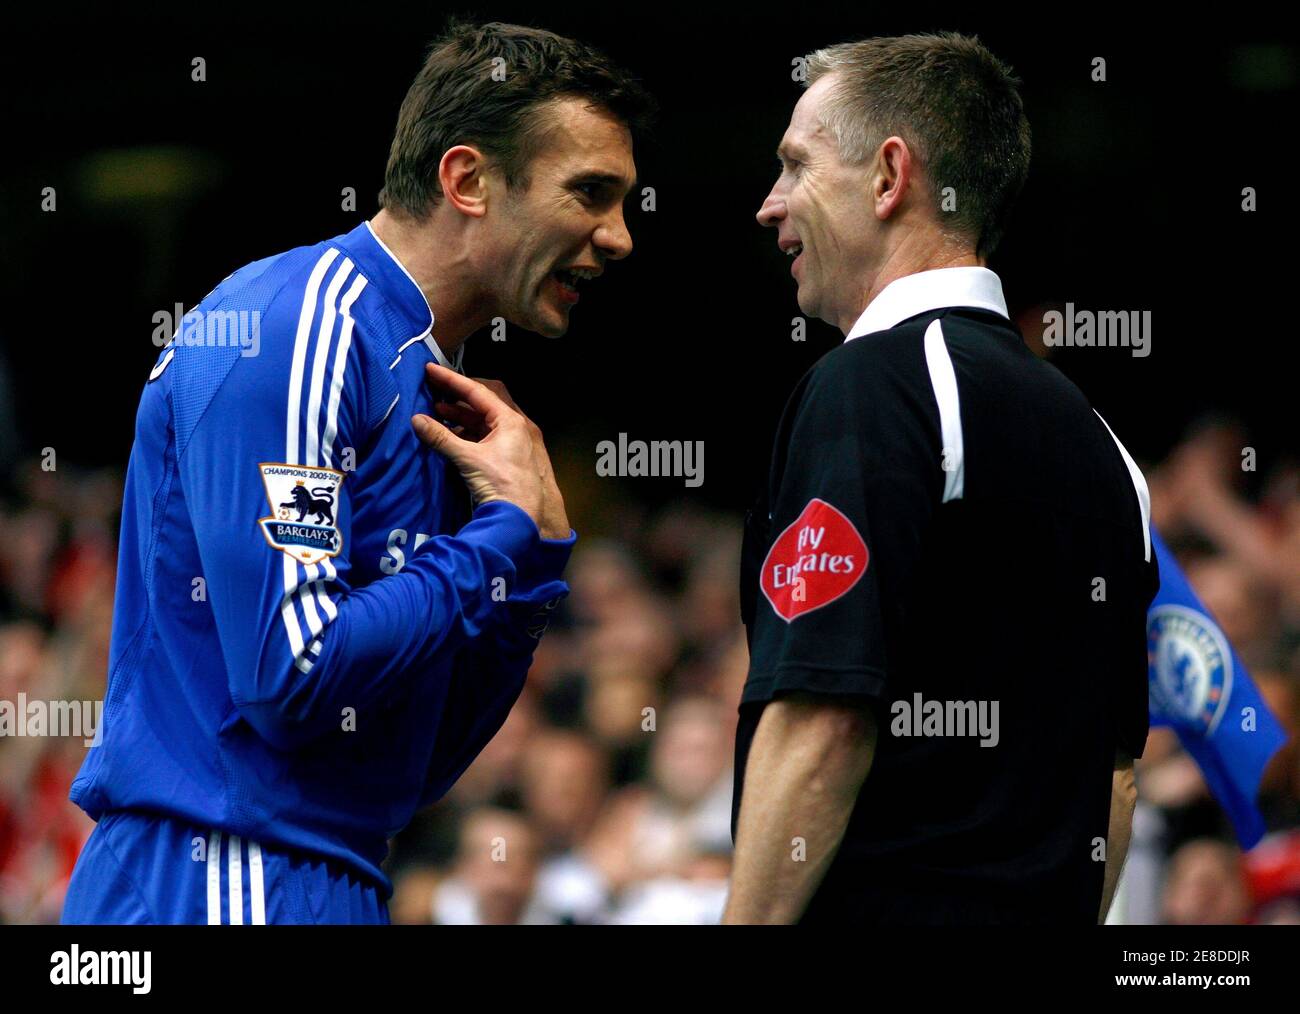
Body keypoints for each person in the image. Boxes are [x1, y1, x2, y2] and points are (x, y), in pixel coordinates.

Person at [62, 20, 652, 924]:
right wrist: (499, 538)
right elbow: (290, 679)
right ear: (468, 181)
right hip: (217, 873)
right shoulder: (301, 327)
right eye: (591, 194)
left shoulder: (437, 390)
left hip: (332, 876)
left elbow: (418, 762)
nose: (618, 237)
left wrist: (532, 561)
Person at [724, 33, 1157, 925]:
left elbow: (822, 715)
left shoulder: (868, 387)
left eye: (796, 165)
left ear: (889, 178)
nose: (770, 206)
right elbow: (1116, 780)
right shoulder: (1107, 448)